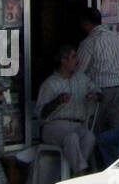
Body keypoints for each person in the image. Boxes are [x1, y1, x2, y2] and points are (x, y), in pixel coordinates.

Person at [37, 45, 101, 175]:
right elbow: (41, 114)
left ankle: (76, 171)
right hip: (54, 125)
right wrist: (57, 101)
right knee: (71, 138)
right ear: (64, 61)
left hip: (78, 124)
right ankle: (80, 172)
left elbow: (99, 93)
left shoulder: (82, 79)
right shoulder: (50, 83)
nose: (78, 60)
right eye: (74, 57)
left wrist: (95, 96)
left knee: (89, 137)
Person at [76, 7, 119, 136]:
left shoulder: (89, 42)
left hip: (100, 91)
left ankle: (100, 156)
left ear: (86, 23)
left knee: (97, 131)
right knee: (117, 131)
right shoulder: (116, 37)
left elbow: (79, 71)